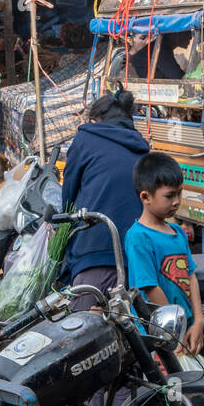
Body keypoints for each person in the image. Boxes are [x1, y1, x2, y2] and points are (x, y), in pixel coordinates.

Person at [60, 89, 150, 308]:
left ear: (94, 120)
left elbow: (68, 197)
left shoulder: (85, 137)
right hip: (137, 254)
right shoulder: (141, 147)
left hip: (95, 250)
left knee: (79, 330)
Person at [124, 153, 204, 355]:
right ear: (146, 197)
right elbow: (150, 288)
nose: (177, 201)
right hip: (160, 334)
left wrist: (199, 320)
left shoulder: (178, 233)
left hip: (183, 327)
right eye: (170, 196)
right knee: (169, 384)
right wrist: (175, 330)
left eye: (180, 193)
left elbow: (190, 276)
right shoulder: (139, 237)